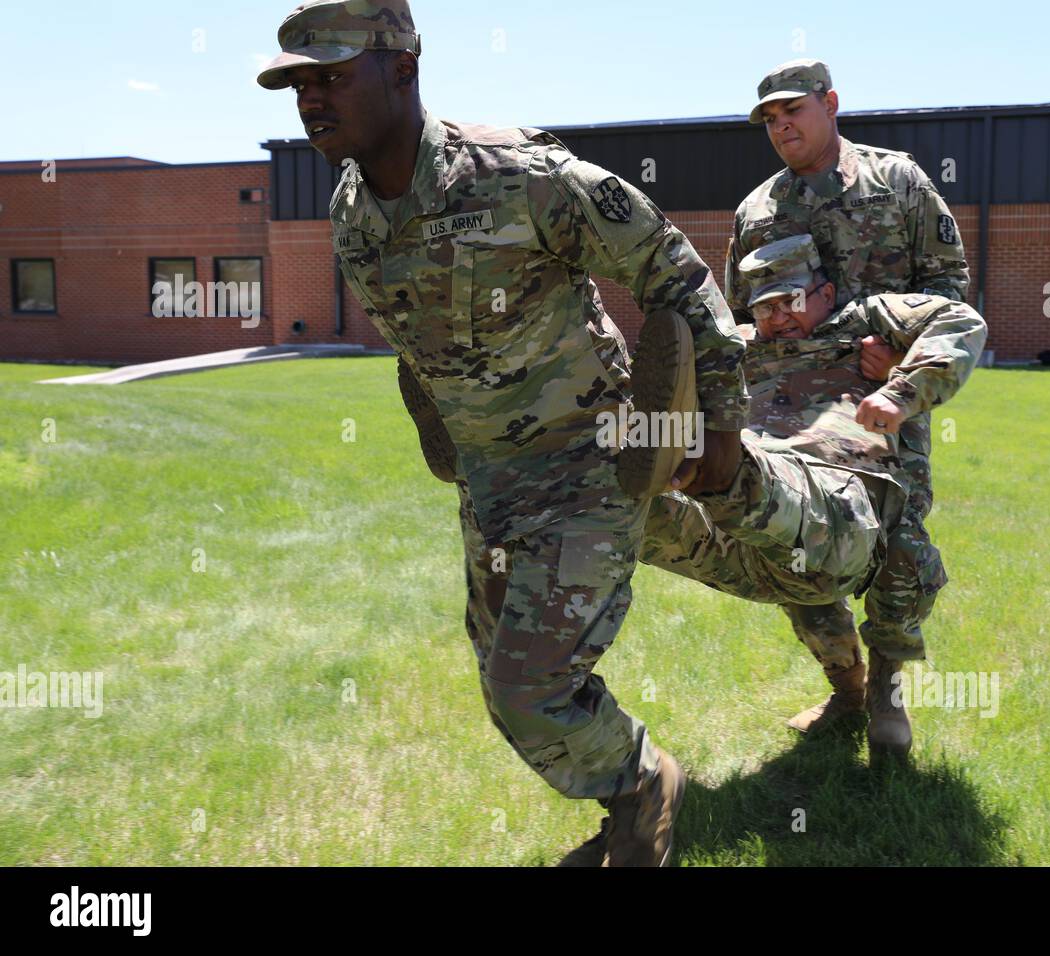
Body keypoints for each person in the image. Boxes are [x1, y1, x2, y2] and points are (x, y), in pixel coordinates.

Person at [258, 0, 750, 866]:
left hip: (593, 459)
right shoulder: (350, 211)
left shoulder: (516, 175)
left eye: (330, 75)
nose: (310, 99)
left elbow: (671, 268)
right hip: (491, 485)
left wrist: (716, 420)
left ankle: (645, 787)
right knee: (502, 686)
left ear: (403, 67)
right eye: (299, 82)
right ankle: (626, 801)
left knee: (532, 689)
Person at [643, 236, 986, 755]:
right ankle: (848, 693)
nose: (778, 318)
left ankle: (884, 692)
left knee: (884, 552)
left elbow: (960, 321)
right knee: (639, 509)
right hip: (756, 521)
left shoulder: (863, 320)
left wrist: (902, 388)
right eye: (765, 308)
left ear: (825, 293)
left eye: (791, 301)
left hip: (845, 502)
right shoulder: (740, 344)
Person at [723, 59, 972, 748]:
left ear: (831, 103)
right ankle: (847, 689)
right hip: (790, 410)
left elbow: (952, 293)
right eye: (771, 120)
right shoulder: (756, 210)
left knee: (896, 545)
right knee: (795, 545)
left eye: (793, 112)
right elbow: (738, 315)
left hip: (885, 405)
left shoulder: (899, 183)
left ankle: (889, 699)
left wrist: (900, 369)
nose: (782, 128)